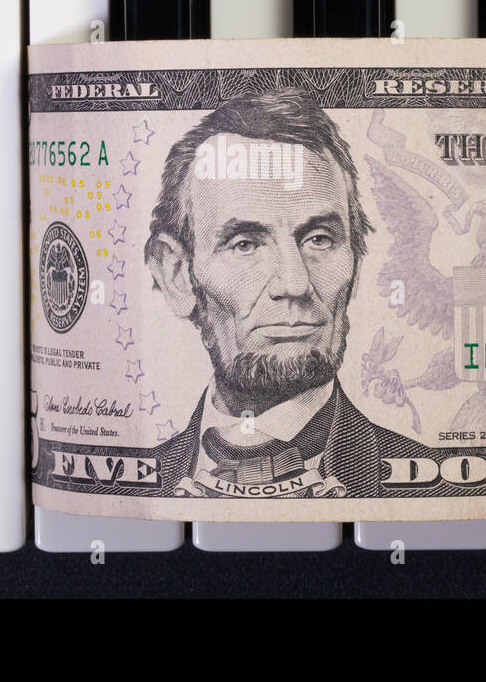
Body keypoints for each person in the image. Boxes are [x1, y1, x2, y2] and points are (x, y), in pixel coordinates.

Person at [144, 89, 422, 499]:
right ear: (177, 275)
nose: (294, 285)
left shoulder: (414, 479)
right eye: (246, 245)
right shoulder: (142, 481)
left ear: (356, 261)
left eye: (319, 239)